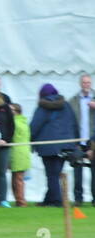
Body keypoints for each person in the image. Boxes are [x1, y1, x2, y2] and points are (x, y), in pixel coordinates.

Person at [30, 83, 78, 206]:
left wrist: (31, 140)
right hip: (65, 145)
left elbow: (35, 126)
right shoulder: (66, 105)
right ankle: (49, 200)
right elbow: (74, 123)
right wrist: (75, 142)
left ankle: (57, 201)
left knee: (51, 174)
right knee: (55, 173)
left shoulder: (42, 107)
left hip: (48, 145)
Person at [68, 75, 95, 205]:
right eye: (84, 82)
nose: (86, 85)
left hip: (93, 140)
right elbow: (69, 122)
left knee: (94, 171)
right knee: (77, 170)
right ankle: (78, 199)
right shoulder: (73, 100)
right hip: (78, 140)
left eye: (88, 82)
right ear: (80, 84)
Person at [9, 102, 30, 207]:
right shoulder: (24, 122)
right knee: (17, 178)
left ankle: (21, 201)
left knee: (17, 179)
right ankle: (19, 200)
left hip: (18, 152)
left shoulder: (15, 123)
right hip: (23, 152)